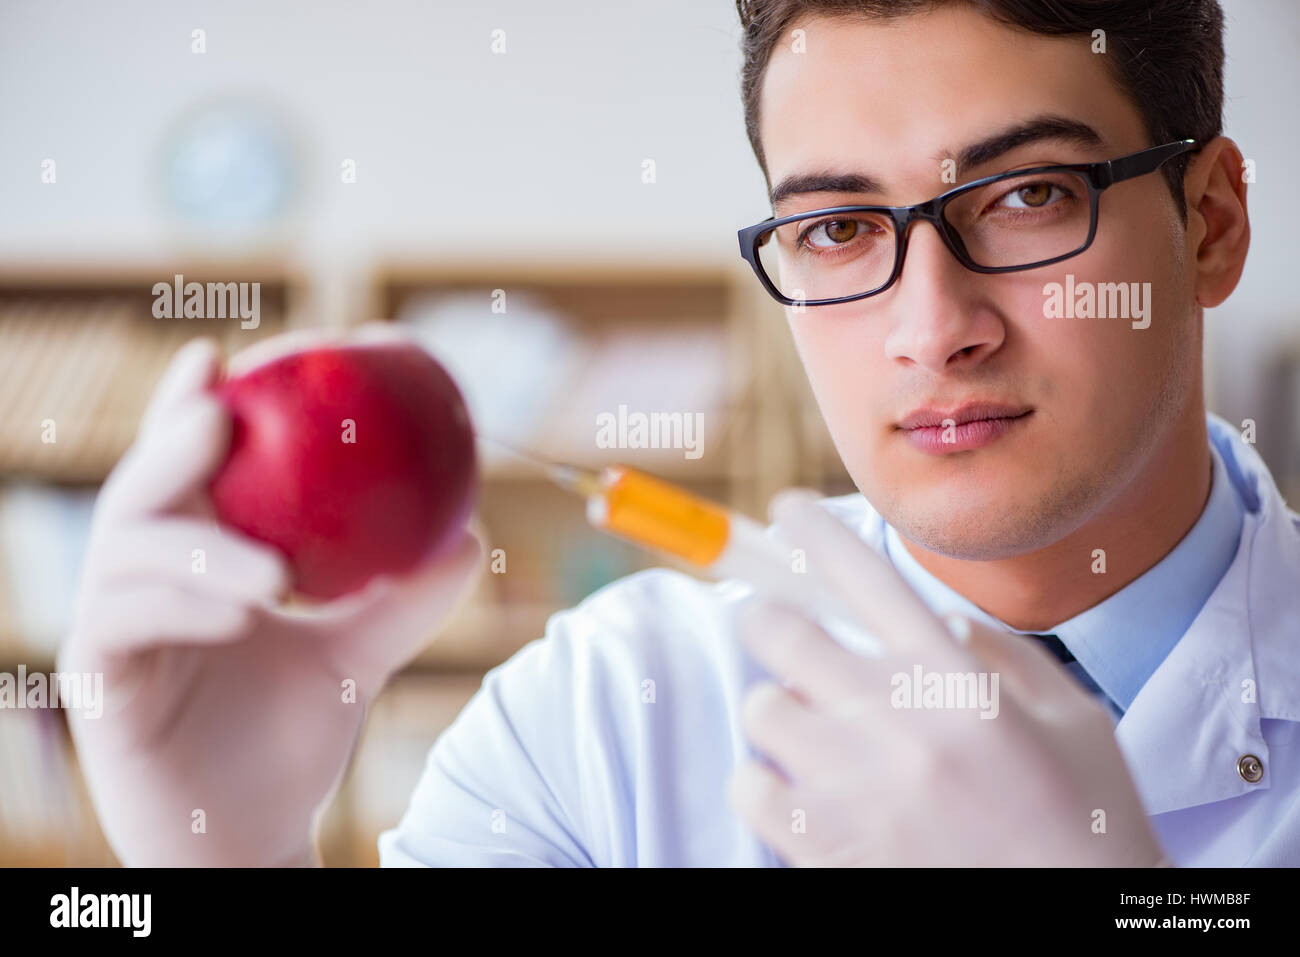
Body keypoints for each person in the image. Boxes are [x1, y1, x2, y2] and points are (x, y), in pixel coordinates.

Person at [62, 0, 1298, 867]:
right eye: (836, 228)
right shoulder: (593, 718)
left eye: (1030, 196)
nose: (933, 328)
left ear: (1208, 225)